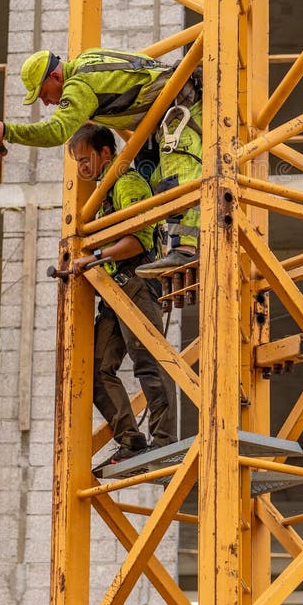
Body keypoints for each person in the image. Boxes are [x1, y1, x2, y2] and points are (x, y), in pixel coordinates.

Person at [0, 48, 201, 275]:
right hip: (167, 113)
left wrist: (7, 131)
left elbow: (56, 131)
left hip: (181, 106)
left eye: (44, 94)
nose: (47, 103)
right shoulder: (88, 59)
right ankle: (184, 246)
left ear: (55, 77)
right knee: (158, 181)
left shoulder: (79, 85)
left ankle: (184, 251)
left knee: (177, 179)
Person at [68, 123, 177, 467]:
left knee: (148, 362)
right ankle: (131, 441)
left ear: (105, 153)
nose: (83, 168)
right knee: (98, 368)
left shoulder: (126, 183)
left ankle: (163, 442)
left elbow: (137, 242)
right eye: (78, 163)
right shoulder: (103, 196)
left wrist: (93, 257)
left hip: (136, 284)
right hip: (114, 293)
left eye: (86, 159)